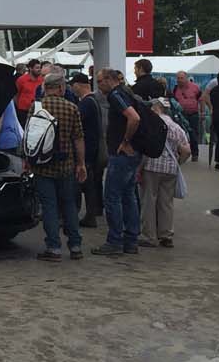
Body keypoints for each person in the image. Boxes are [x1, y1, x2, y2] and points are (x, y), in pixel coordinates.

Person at [31, 75, 87, 260]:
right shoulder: (72, 108)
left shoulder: (37, 107)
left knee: (49, 206)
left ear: (45, 87)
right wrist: (81, 164)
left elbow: (30, 137)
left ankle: (54, 247)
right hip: (66, 164)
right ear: (61, 88)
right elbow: (78, 138)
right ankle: (75, 245)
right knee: (69, 204)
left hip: (43, 165)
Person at [94, 69, 143, 257]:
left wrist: (125, 141)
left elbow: (134, 117)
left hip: (121, 153)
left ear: (109, 80)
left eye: (99, 81)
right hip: (132, 155)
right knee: (128, 195)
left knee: (112, 197)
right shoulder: (127, 92)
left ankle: (114, 240)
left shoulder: (116, 95)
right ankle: (131, 239)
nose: (98, 85)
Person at [138, 99, 190, 249]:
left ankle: (149, 236)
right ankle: (166, 235)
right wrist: (178, 163)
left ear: (156, 108)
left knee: (149, 201)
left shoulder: (151, 124)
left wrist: (139, 169)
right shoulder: (176, 127)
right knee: (166, 203)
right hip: (170, 169)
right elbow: (186, 151)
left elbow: (145, 150)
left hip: (152, 167)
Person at [73, 73, 106, 228]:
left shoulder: (85, 103)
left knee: (83, 183)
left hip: (87, 149)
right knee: (90, 184)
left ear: (78, 85)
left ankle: (85, 214)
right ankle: (91, 214)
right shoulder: (94, 101)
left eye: (73, 85)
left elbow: (75, 123)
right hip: (94, 148)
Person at [172, 71, 202, 162]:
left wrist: (202, 111)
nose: (179, 80)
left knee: (193, 133)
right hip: (180, 115)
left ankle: (195, 153)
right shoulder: (175, 89)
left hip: (193, 114)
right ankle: (180, 153)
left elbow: (200, 99)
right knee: (180, 133)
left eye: (181, 78)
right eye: (178, 78)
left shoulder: (195, 87)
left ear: (186, 78)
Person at [14, 61, 42, 126]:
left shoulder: (42, 80)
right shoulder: (21, 79)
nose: (39, 69)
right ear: (30, 68)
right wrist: (18, 106)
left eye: (40, 68)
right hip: (23, 111)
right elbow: (16, 94)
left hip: (37, 110)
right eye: (37, 68)